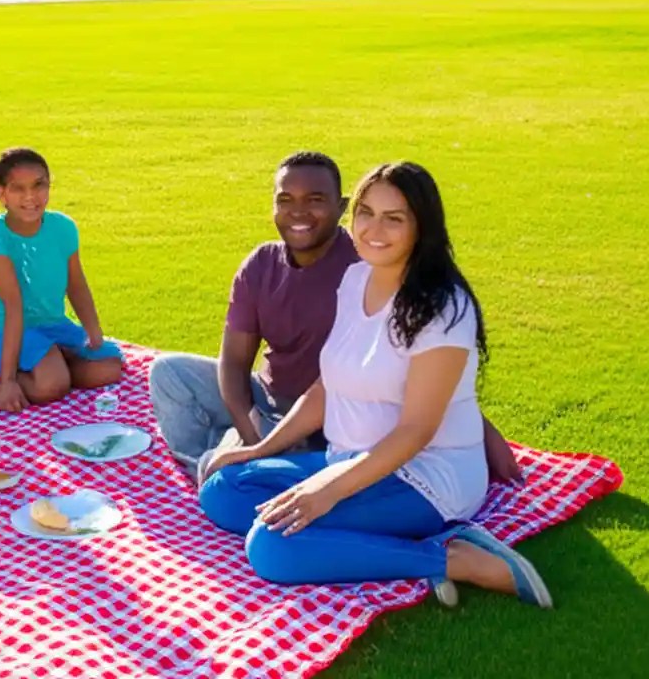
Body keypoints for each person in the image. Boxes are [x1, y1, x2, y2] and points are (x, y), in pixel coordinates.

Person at [197, 162, 551, 609]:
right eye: (365, 212)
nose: (374, 228)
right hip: (346, 458)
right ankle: (359, 542)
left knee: (272, 546)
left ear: (421, 228)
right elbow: (329, 387)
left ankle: (456, 559)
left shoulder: (443, 308)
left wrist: (325, 492)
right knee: (224, 489)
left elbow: (416, 431)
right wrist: (258, 449)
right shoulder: (355, 279)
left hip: (426, 478)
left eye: (394, 218)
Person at [149, 151, 522, 486]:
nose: (298, 212)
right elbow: (232, 362)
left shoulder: (367, 264)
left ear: (342, 207)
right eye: (285, 200)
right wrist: (253, 437)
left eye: (315, 201)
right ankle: (214, 463)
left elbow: (433, 360)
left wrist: (483, 433)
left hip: (334, 419)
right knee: (168, 373)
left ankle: (235, 468)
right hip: (268, 399)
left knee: (231, 482)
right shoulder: (261, 265)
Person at [0, 147, 124, 412]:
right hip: (6, 327)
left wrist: (93, 329)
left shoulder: (63, 227)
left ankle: (54, 361)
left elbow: (76, 283)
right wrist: (7, 381)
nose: (30, 196)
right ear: (1, 194)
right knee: (50, 388)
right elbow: (13, 304)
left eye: (38, 185)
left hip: (52, 324)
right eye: (17, 188)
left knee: (110, 367)